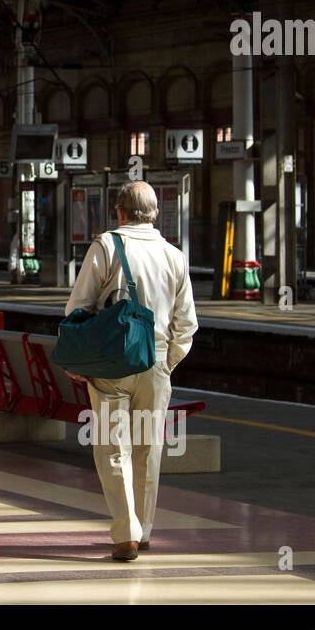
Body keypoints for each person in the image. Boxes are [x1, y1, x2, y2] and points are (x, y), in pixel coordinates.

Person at [64, 181, 198, 562]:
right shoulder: (175, 256)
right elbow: (186, 324)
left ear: (119, 212)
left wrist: (81, 359)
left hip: (110, 364)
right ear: (155, 213)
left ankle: (126, 532)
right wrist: (167, 363)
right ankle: (145, 528)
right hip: (155, 363)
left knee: (112, 448)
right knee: (148, 448)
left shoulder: (105, 246)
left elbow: (78, 307)